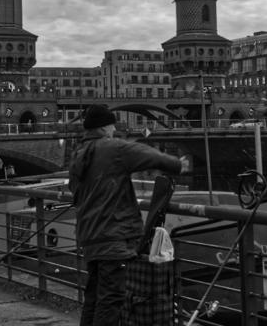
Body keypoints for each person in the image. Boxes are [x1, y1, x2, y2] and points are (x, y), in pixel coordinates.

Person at [69, 104, 189, 325]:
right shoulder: (112, 148)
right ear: (105, 127)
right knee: (111, 299)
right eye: (112, 126)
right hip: (112, 236)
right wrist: (177, 165)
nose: (114, 130)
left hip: (90, 236)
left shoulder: (79, 153)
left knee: (94, 297)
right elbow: (146, 155)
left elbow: (74, 190)